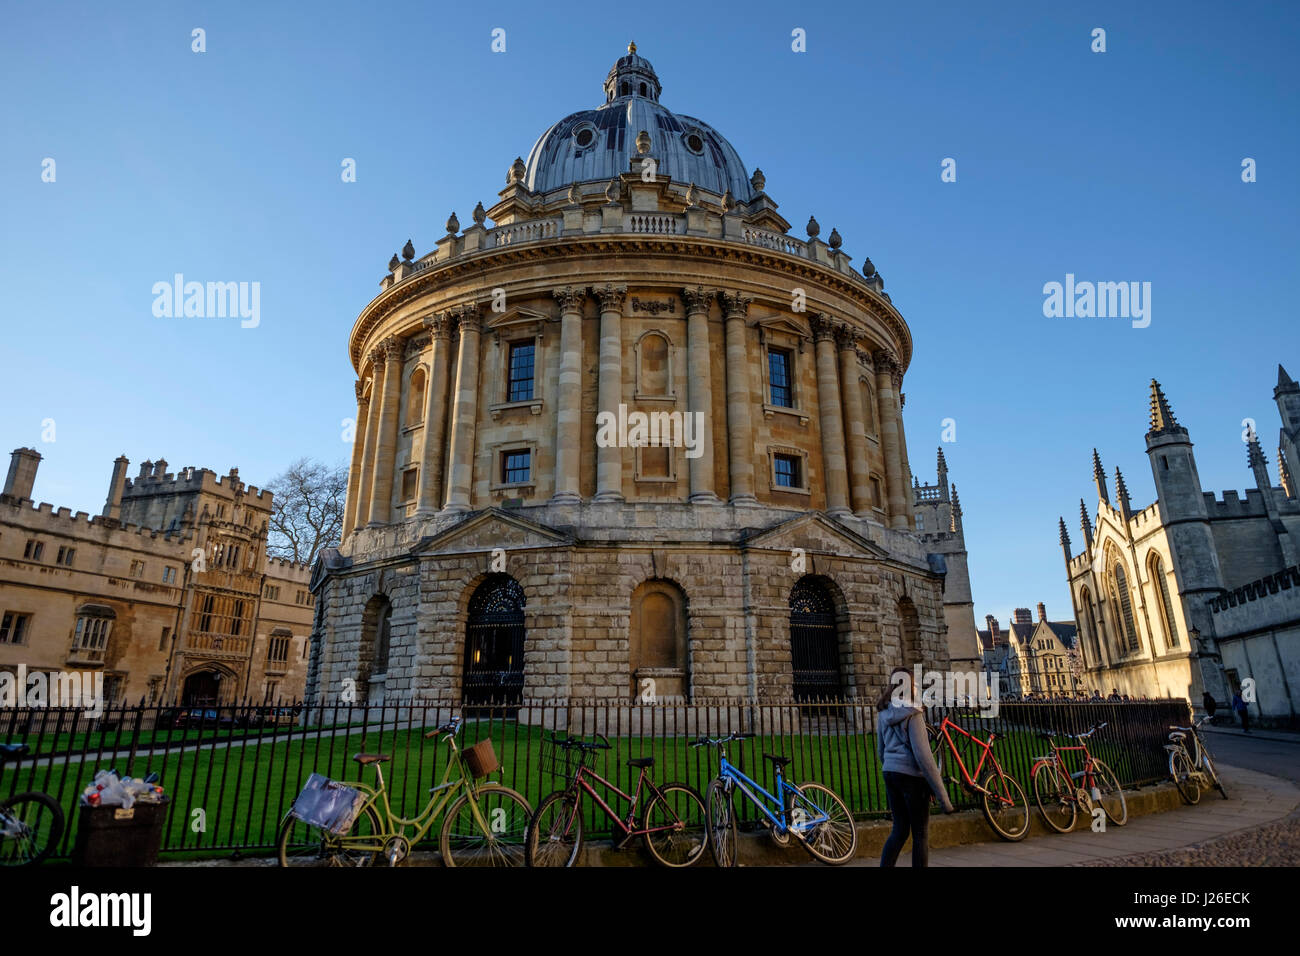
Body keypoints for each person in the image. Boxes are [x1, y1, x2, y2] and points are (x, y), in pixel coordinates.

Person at [876, 666, 955, 867]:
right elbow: (924, 756)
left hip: (890, 773)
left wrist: (892, 769)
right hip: (912, 777)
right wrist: (943, 797)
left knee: (899, 830)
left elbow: (880, 750)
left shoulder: (883, 712)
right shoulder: (914, 713)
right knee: (920, 834)